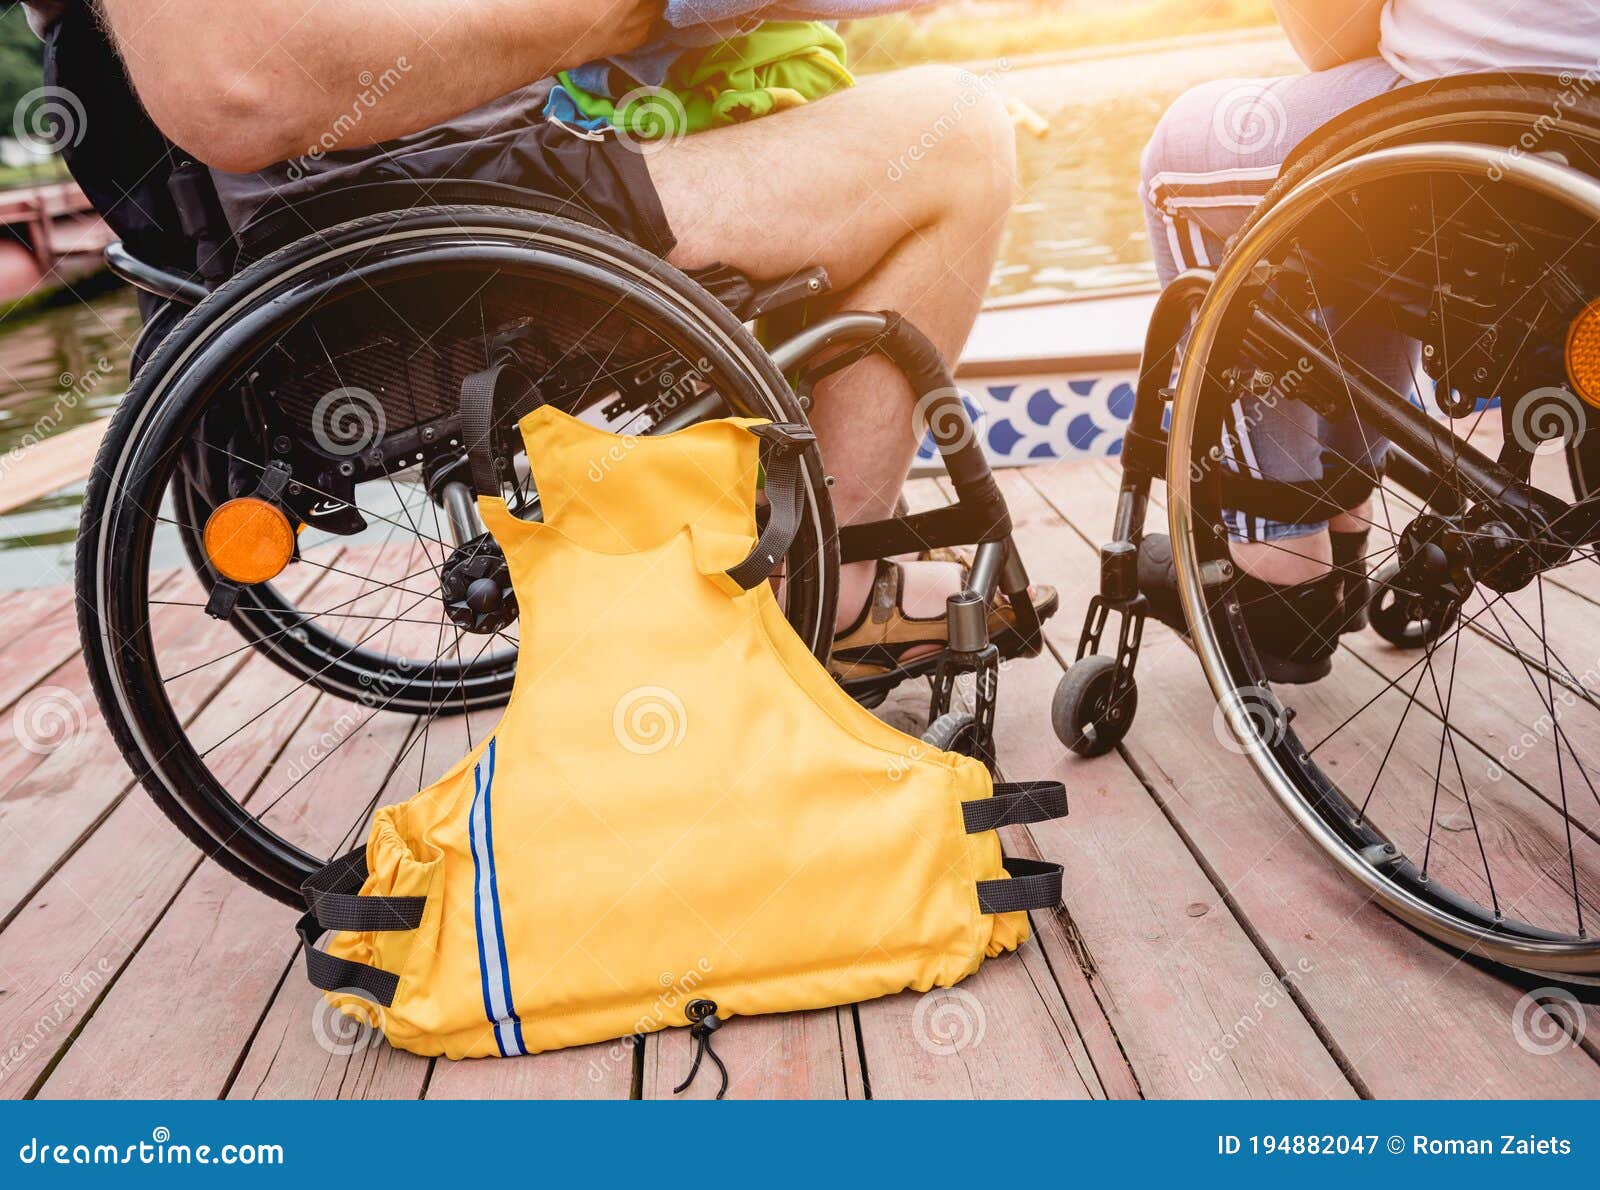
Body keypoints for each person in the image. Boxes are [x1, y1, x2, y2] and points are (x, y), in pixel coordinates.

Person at [20, 0, 1054, 685]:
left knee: (788, 96)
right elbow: (241, 92)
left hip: (401, 219)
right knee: (958, 130)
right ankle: (832, 601)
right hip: (424, 243)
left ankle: (800, 552)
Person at [1137, 0, 1600, 682]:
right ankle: (1343, 520)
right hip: (1576, 168)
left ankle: (1280, 568)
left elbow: (1333, 38)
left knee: (1179, 160)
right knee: (1361, 190)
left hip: (1492, 134)